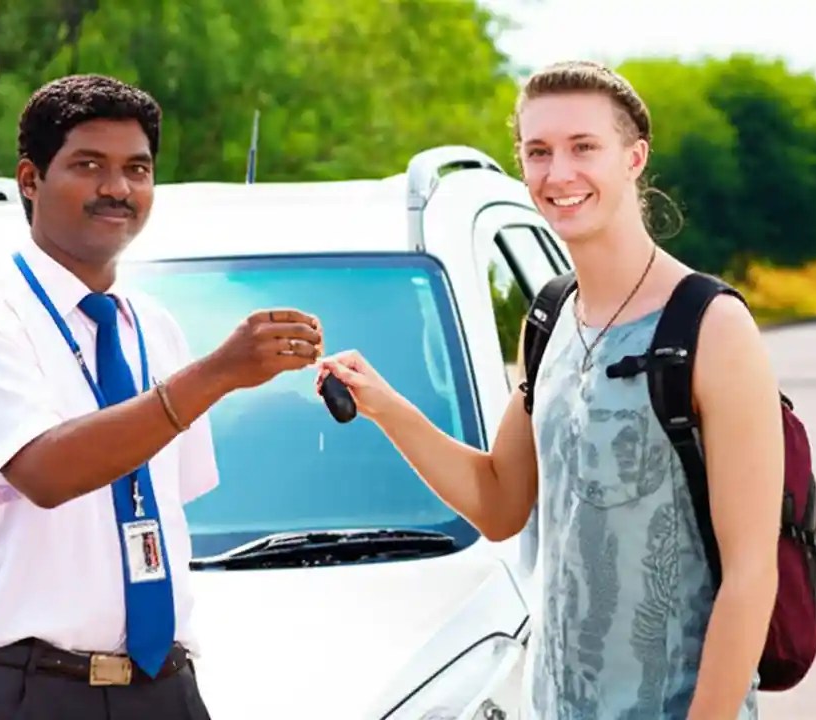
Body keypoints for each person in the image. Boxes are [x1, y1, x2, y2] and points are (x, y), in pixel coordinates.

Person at [316, 60, 783, 719]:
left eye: (583, 147)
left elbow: (751, 575)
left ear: (634, 157)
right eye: (538, 152)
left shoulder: (711, 326)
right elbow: (499, 503)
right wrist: (385, 407)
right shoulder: (550, 317)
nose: (558, 173)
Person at [0, 74, 324, 720]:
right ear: (30, 179)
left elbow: (161, 503)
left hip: (162, 686)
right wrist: (216, 374)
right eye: (89, 166)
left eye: (138, 169)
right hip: (25, 690)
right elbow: (46, 473)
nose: (118, 188)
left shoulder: (153, 326)